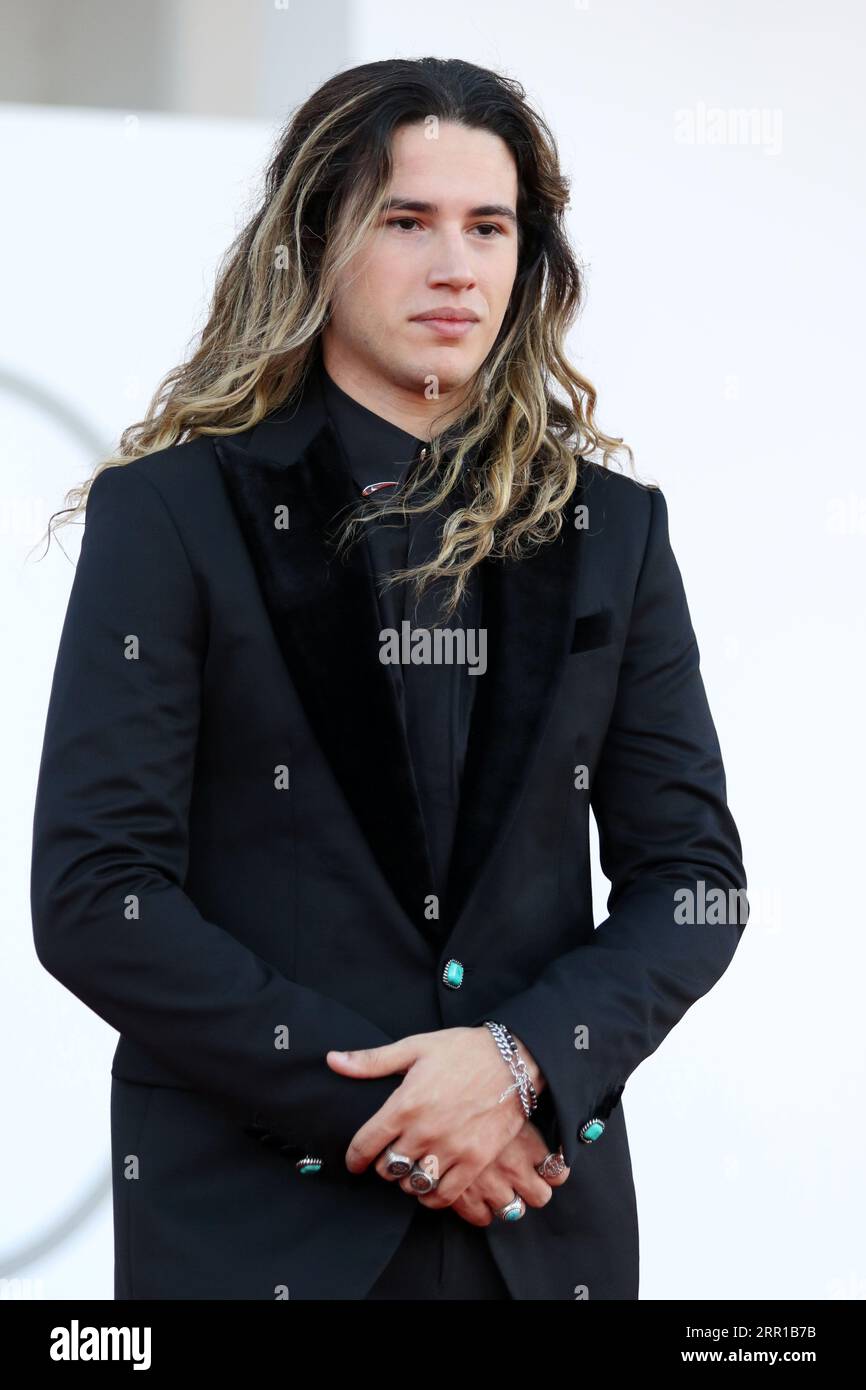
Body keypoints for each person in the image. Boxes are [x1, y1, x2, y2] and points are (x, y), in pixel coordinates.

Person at [30, 56, 748, 1301]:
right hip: (255, 1236)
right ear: (317, 240)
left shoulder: (612, 533)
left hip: (533, 1233)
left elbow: (692, 882)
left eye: (487, 226)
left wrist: (520, 1064)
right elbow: (98, 895)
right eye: (405, 221)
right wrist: (417, 1111)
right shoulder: (172, 516)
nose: (454, 266)